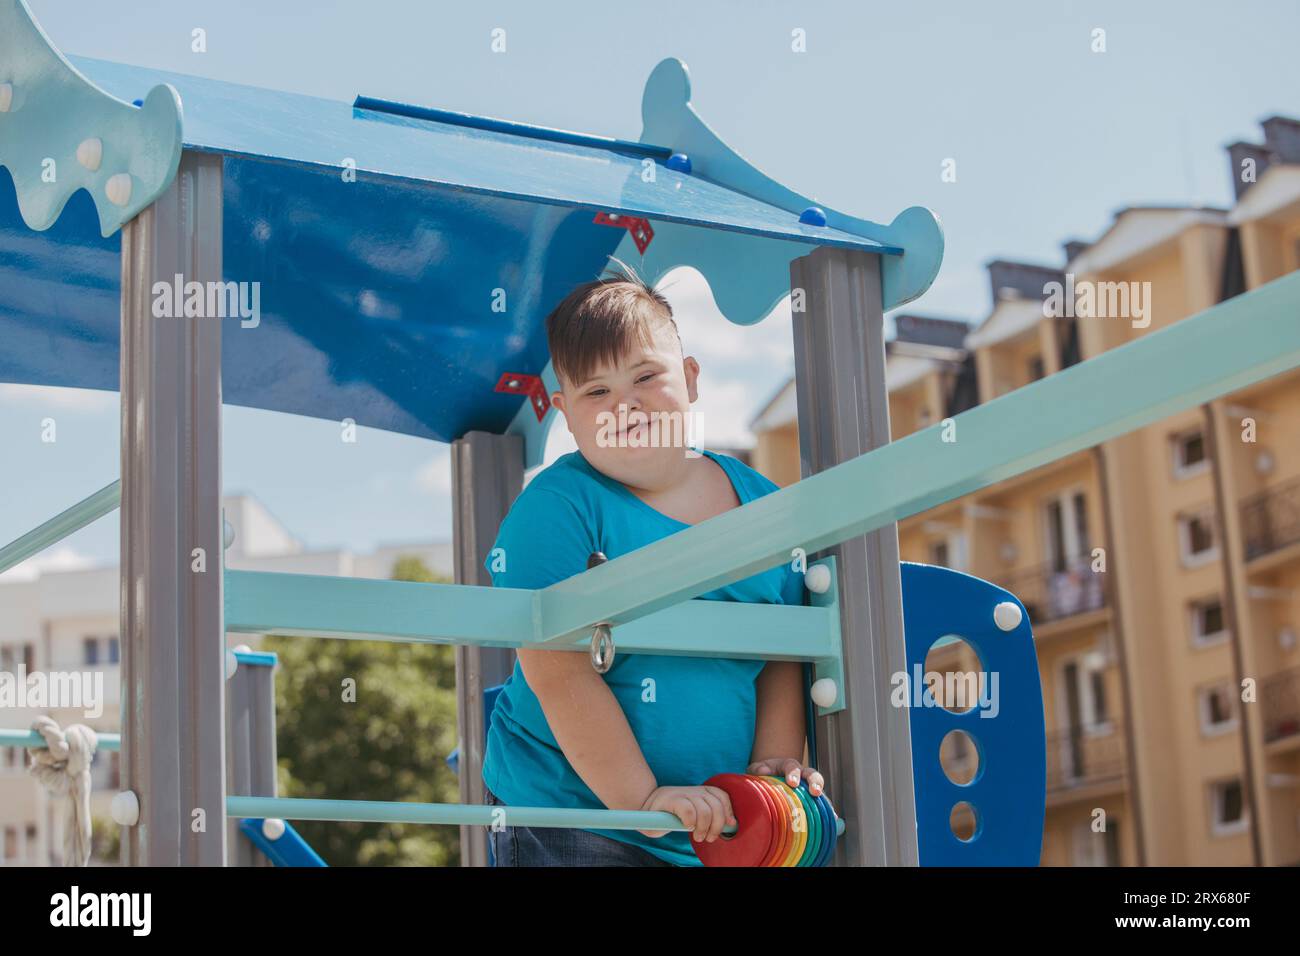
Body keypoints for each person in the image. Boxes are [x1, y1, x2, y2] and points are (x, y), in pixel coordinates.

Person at [482, 260, 823, 866]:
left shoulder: (766, 508)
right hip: (573, 815)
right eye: (596, 391)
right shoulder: (558, 509)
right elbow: (557, 671)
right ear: (564, 410)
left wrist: (771, 765)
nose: (625, 404)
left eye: (645, 376)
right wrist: (641, 799)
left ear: (690, 378)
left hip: (714, 822)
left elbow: (782, 652)